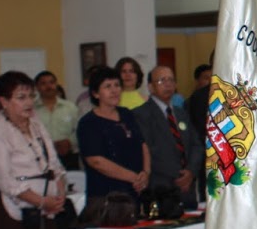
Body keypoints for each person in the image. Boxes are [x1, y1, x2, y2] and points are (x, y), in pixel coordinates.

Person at [0, 71, 71, 229]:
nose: (29, 102)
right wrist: (40, 201)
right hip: (13, 210)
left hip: (47, 208)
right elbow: (4, 180)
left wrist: (59, 194)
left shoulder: (36, 124)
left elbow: (54, 163)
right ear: (4, 102)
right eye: (21, 97)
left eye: (31, 96)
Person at [76, 67, 150, 204]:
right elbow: (96, 161)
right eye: (107, 86)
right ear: (96, 94)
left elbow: (143, 144)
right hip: (106, 195)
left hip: (136, 189)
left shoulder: (127, 114)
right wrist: (133, 177)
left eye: (117, 85)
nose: (114, 90)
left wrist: (145, 174)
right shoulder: (88, 122)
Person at [134, 65, 202, 209]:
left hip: (187, 188)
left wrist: (190, 172)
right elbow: (149, 151)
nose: (168, 84)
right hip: (160, 189)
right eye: (161, 80)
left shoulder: (181, 113)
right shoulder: (141, 115)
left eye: (171, 80)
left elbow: (196, 144)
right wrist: (178, 177)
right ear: (151, 87)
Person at [33, 70, 80, 170]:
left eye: (51, 82)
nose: (48, 86)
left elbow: (79, 129)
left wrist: (69, 142)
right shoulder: (31, 110)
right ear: (36, 87)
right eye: (43, 83)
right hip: (42, 157)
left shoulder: (70, 107)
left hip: (69, 156)